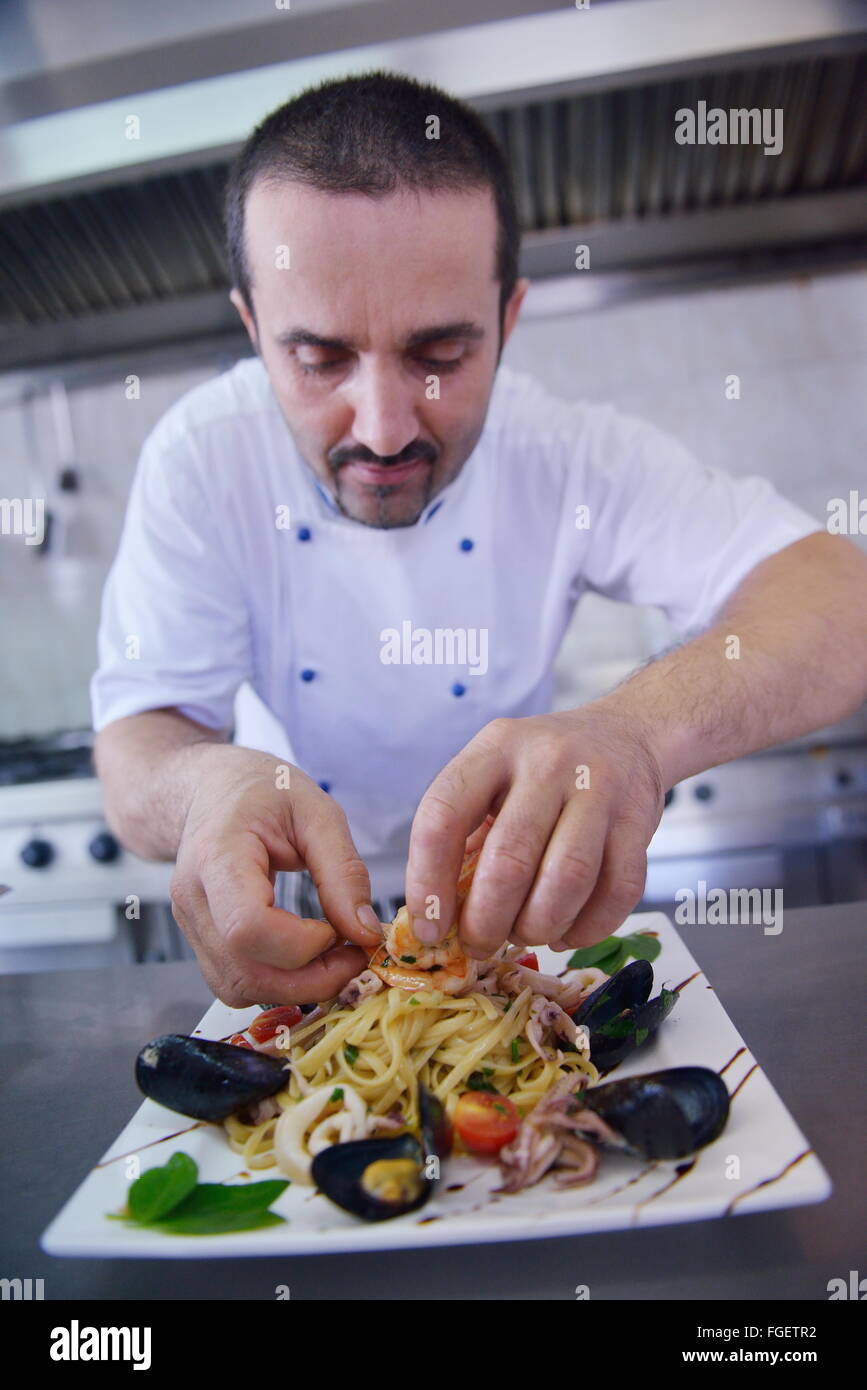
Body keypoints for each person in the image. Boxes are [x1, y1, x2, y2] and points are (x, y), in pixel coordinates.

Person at [91, 72, 867, 1008]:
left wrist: (632, 733)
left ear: (506, 319)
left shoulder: (566, 456)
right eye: (319, 357)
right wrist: (201, 790)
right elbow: (139, 743)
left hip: (513, 927)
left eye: (439, 356)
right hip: (295, 935)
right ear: (254, 329)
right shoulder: (201, 461)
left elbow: (836, 596)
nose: (382, 427)